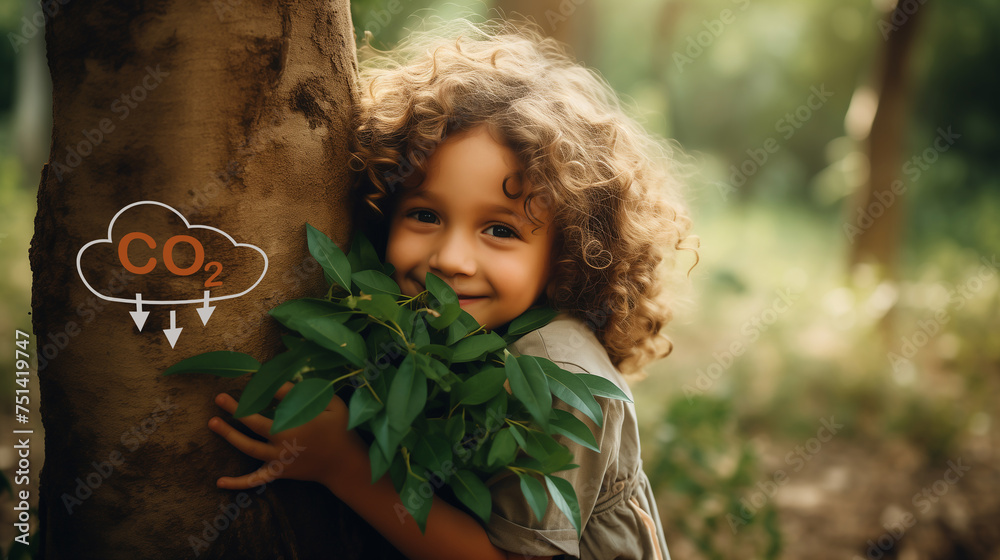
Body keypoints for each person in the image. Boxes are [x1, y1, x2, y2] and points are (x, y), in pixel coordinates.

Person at [207, 17, 696, 560]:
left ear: (567, 252)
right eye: (424, 214)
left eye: (500, 230)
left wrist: (343, 467)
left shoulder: (558, 372)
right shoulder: (403, 323)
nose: (451, 259)